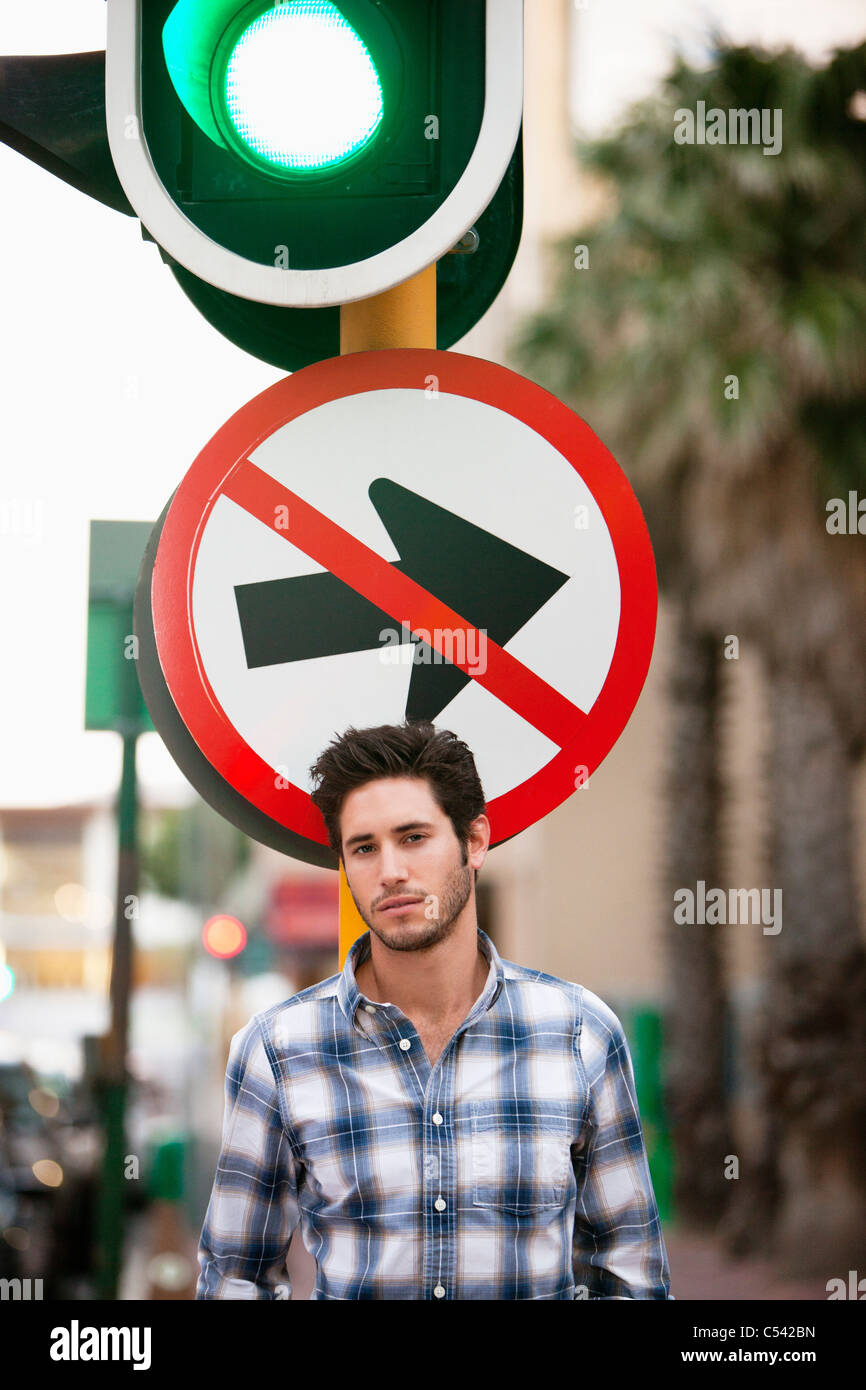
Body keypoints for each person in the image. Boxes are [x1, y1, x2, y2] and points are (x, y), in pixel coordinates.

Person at [196, 720, 673, 1300]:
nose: (390, 870)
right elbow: (234, 1279)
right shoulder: (277, 1048)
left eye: (414, 837)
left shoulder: (580, 1033)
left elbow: (631, 1277)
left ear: (474, 842)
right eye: (364, 848)